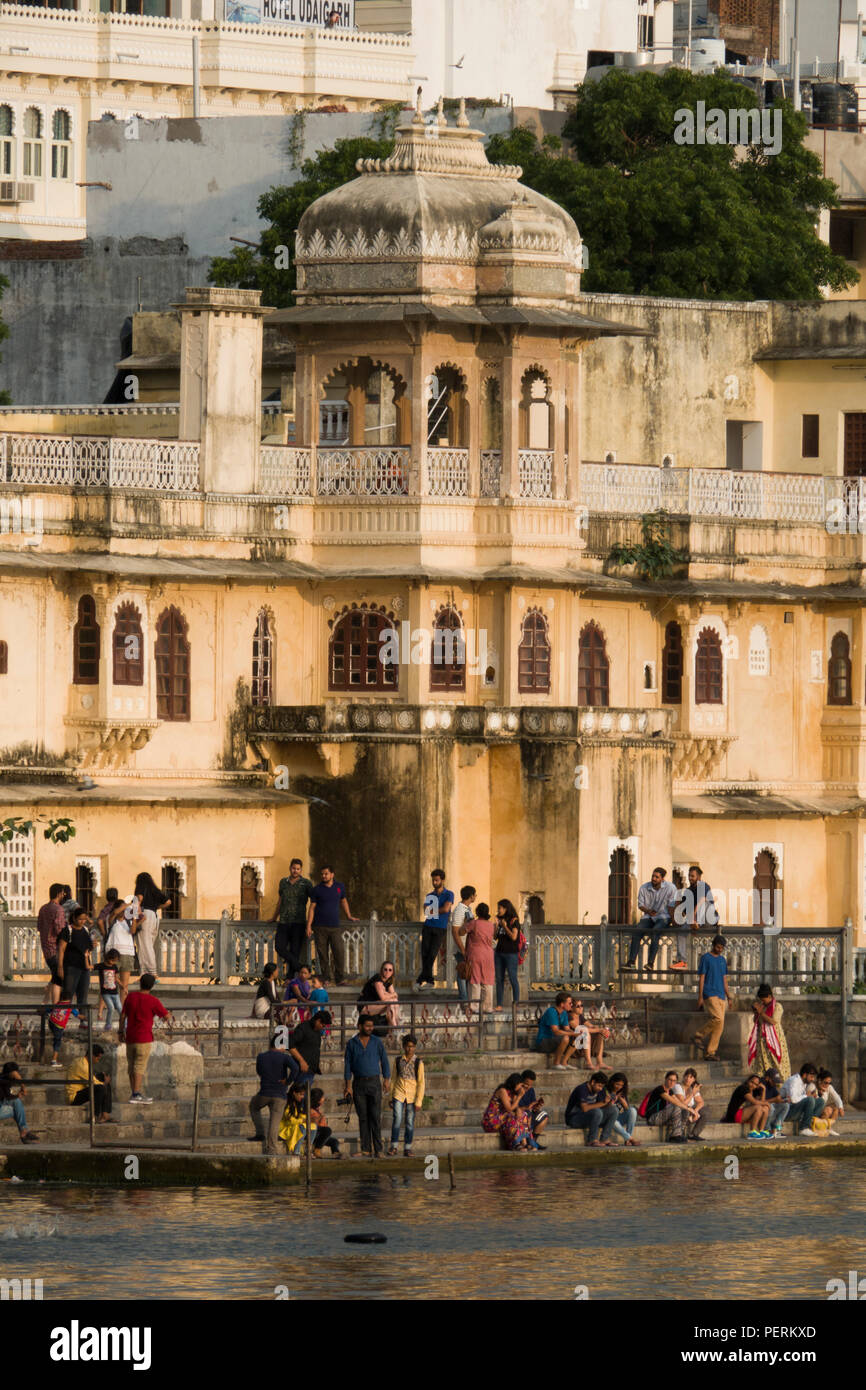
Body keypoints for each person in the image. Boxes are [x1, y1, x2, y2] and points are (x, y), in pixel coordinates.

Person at [344, 1014, 391, 1157]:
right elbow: (348, 1066)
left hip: (374, 1082)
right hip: (358, 1083)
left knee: (375, 1116)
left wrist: (387, 1079)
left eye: (371, 1026)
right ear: (359, 1026)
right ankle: (366, 1148)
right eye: (367, 1026)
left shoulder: (377, 1042)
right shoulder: (352, 1044)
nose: (370, 1028)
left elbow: (384, 1061)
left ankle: (378, 1149)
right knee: (363, 1117)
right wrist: (348, 1085)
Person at [119, 972, 170, 1103]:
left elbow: (123, 1015)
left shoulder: (131, 997)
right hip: (144, 1038)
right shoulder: (153, 1001)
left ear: (140, 983)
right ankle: (136, 1094)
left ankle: (134, 1093)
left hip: (130, 1036)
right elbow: (166, 1016)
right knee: (139, 1066)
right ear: (152, 986)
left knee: (131, 1066)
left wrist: (120, 1031)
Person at [306, 864, 357, 986]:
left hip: (335, 927)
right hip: (319, 927)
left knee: (339, 952)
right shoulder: (317, 889)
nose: (324, 876)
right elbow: (312, 908)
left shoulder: (339, 887)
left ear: (332, 874)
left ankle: (340, 979)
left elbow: (343, 900)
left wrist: (349, 915)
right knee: (323, 955)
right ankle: (326, 978)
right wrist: (308, 926)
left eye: (326, 874)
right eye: (322, 874)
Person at [250, 1033, 297, 1154]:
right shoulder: (284, 1057)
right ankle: (272, 1149)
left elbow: (259, 1071)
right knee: (274, 1122)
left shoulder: (261, 1056)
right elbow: (296, 1069)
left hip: (264, 1093)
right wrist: (288, 1081)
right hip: (279, 1095)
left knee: (254, 1106)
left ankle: (260, 1133)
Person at [624, 867, 677, 972]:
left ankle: (650, 963)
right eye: (653, 876)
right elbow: (640, 905)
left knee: (655, 932)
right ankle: (631, 962)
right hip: (649, 916)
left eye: (657, 877)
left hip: (664, 916)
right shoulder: (644, 887)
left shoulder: (670, 888)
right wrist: (648, 911)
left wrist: (674, 920)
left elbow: (672, 905)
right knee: (637, 932)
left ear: (662, 879)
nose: (654, 879)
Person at [271, 859, 313, 978]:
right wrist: (274, 917)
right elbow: (280, 901)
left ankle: (289, 978)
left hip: (298, 922)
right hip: (284, 921)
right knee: (279, 947)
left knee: (295, 951)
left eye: (298, 869)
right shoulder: (283, 882)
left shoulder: (306, 883)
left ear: (301, 870)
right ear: (290, 868)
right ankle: (300, 967)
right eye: (294, 868)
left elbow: (314, 901)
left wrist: (311, 921)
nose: (295, 871)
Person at [693, 934, 733, 1061]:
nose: (720, 949)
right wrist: (700, 997)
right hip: (709, 993)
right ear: (714, 945)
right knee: (718, 1018)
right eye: (718, 946)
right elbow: (702, 978)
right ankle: (698, 1035)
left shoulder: (722, 960)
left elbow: (724, 979)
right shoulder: (706, 958)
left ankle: (710, 1052)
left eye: (722, 947)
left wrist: (729, 996)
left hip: (721, 995)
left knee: (720, 1025)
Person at [415, 869, 454, 992]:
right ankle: (428, 980)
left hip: (440, 927)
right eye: (433, 880)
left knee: (432, 953)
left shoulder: (449, 894)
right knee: (425, 953)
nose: (434, 882)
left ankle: (421, 980)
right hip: (428, 926)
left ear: (442, 880)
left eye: (437, 880)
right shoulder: (429, 895)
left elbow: (446, 909)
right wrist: (437, 909)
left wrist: (433, 910)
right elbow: (426, 911)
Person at [671, 865, 717, 970]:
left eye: (692, 876)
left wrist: (694, 919)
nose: (690, 878)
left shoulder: (703, 886)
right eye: (689, 876)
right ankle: (682, 961)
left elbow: (702, 901)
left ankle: (696, 924)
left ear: (699, 877)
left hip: (708, 918)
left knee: (703, 904)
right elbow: (682, 908)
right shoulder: (689, 891)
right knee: (682, 932)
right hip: (694, 921)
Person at [388, 1033, 425, 1156]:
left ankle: (407, 1147)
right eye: (408, 1046)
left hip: (412, 1095)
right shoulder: (398, 1060)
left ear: (415, 1047)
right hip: (398, 1093)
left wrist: (419, 1101)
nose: (410, 1049)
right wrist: (390, 1097)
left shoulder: (418, 1062)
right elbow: (393, 1079)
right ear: (404, 1046)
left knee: (409, 1121)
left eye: (412, 1046)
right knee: (397, 1119)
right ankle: (393, 1146)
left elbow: (421, 1083)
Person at [130, 872, 171, 980]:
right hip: (154, 916)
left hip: (144, 915)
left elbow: (138, 899)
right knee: (149, 944)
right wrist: (155, 907)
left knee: (144, 945)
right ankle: (148, 973)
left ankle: (150, 973)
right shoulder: (154, 890)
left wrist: (135, 915)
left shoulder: (141, 887)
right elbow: (168, 902)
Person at [481, 1073, 535, 1151]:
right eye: (520, 1085)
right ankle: (515, 1144)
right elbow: (509, 1109)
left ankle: (525, 1143)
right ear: (515, 1084)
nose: (521, 1088)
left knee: (523, 1115)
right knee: (511, 1116)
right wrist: (519, 1097)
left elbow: (516, 1108)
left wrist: (521, 1110)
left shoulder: (513, 1094)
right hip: (491, 1121)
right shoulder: (502, 1091)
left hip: (502, 1121)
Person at [748, 983, 790, 1080]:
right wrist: (756, 1012)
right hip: (762, 1039)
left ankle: (779, 1081)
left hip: (774, 1038)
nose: (762, 1001)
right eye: (761, 999)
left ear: (770, 996)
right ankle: (763, 1080)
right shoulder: (763, 1006)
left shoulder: (777, 1006)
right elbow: (756, 1021)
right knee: (762, 1062)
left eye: (764, 999)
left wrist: (761, 1012)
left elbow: (773, 1021)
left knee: (775, 1060)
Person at [56, 907, 93, 1018]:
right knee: (68, 994)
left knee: (83, 995)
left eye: (84, 919)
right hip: (71, 967)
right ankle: (61, 1018)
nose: (82, 921)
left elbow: (87, 948)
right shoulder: (67, 930)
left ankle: (83, 1020)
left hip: (84, 967)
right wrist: (60, 967)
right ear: (74, 918)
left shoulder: (86, 930)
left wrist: (92, 946)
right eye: (80, 919)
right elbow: (61, 949)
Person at [565, 1071, 618, 1147]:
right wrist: (603, 1103)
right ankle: (592, 1140)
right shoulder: (582, 1089)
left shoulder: (599, 1090)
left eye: (602, 1086)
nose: (601, 1088)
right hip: (574, 1119)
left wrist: (609, 1102)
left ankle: (604, 1139)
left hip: (590, 1117)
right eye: (599, 1086)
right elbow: (585, 1108)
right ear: (593, 1082)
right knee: (597, 1112)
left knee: (614, 1110)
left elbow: (602, 1105)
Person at [105, 895, 141, 1004]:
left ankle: (123, 1006)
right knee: (109, 981)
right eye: (122, 908)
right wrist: (129, 904)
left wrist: (134, 916)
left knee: (124, 984)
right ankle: (104, 1005)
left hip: (127, 954)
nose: (124, 911)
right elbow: (115, 912)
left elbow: (133, 931)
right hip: (113, 954)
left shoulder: (128, 921)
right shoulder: (111, 920)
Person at [66, 1043, 113, 1123]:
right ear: (91, 1055)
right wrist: (105, 1082)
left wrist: (104, 1079)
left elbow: (93, 1079)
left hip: (82, 1089)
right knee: (101, 1087)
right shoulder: (81, 1065)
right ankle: (95, 1116)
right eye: (98, 1058)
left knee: (102, 1077)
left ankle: (105, 1114)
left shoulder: (82, 1061)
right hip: (74, 1097)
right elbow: (94, 1082)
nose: (98, 1060)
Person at [37, 882, 67, 1005]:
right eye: (63, 892)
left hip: (46, 947)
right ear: (59, 894)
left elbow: (39, 927)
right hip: (56, 948)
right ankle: (56, 1007)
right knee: (59, 979)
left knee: (55, 975)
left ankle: (45, 1000)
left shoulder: (43, 908)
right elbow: (59, 929)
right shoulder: (58, 909)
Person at [463, 902, 495, 1013]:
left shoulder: (474, 923)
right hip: (489, 955)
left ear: (477, 912)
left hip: (476, 953)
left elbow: (461, 932)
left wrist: (465, 923)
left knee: (475, 979)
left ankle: (474, 1007)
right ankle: (488, 1007)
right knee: (488, 981)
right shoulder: (491, 925)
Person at [642, 1070, 691, 1142]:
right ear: (665, 1079)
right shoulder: (660, 1089)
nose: (672, 1082)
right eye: (670, 1080)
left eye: (674, 1081)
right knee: (675, 1107)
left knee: (685, 1111)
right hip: (653, 1118)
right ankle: (675, 1136)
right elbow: (674, 1102)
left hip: (663, 1117)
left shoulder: (670, 1091)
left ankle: (680, 1134)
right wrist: (690, 1109)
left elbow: (679, 1102)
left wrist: (689, 1110)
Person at [780, 1062, 826, 1137]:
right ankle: (804, 1128)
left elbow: (803, 1098)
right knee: (810, 1099)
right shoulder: (794, 1081)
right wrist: (806, 1096)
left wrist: (813, 1096)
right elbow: (793, 1100)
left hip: (797, 1110)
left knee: (820, 1101)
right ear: (804, 1075)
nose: (813, 1079)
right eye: (811, 1076)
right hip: (788, 1112)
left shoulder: (804, 1083)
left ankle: (810, 1125)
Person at [534, 991, 577, 1069]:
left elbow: (567, 1029)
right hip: (543, 1041)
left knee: (578, 1039)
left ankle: (564, 1062)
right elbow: (556, 1031)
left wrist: (577, 1033)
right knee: (566, 1038)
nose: (572, 1005)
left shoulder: (564, 1013)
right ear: (562, 1004)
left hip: (555, 1040)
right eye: (570, 1003)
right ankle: (556, 1063)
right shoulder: (551, 1012)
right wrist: (572, 1034)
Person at [288, 1010, 331, 1084]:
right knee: (299, 1093)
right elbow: (290, 1045)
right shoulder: (303, 1028)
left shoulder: (317, 1031)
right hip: (302, 1070)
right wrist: (302, 1061)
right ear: (318, 1021)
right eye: (323, 1025)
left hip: (311, 1070)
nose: (323, 1028)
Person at [722, 1073, 772, 1137]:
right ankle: (752, 1132)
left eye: (755, 1084)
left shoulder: (754, 1091)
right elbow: (754, 1102)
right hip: (733, 1115)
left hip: (743, 1114)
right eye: (751, 1082)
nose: (752, 1085)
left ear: (757, 1086)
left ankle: (761, 1130)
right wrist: (766, 1103)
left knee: (765, 1108)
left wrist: (764, 1090)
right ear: (748, 1080)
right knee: (758, 1107)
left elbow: (762, 1102)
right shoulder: (743, 1088)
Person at [493, 898, 521, 1010]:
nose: (498, 910)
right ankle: (499, 1004)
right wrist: (496, 926)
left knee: (513, 978)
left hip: (511, 954)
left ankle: (516, 1004)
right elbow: (495, 937)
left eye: (499, 908)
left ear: (505, 908)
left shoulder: (514, 921)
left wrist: (505, 926)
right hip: (499, 953)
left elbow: (514, 937)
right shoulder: (500, 920)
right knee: (499, 979)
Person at [450, 884, 476, 1004]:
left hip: (468, 946)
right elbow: (455, 931)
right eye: (474, 894)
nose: (475, 896)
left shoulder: (467, 909)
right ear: (471, 896)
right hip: (462, 947)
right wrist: (462, 949)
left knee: (467, 971)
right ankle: (463, 998)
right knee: (462, 971)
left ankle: (466, 997)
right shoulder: (460, 910)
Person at [358, 960, 400, 1034]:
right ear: (382, 970)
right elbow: (384, 998)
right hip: (365, 1006)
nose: (387, 972)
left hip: (375, 1005)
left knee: (393, 1002)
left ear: (393, 972)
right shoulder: (378, 979)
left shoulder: (389, 980)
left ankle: (393, 1028)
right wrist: (390, 995)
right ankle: (394, 1027)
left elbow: (394, 997)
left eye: (390, 970)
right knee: (391, 1002)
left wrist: (389, 995)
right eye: (385, 969)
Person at [0, 1063, 38, 1143]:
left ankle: (24, 1131)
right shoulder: (3, 1081)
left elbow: (6, 1097)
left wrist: (17, 1095)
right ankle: (24, 1132)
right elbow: (7, 1098)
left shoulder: (3, 1080)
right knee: (16, 1107)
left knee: (17, 1106)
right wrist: (22, 1085)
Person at [569, 1000, 609, 1070]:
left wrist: (603, 1030)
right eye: (578, 1006)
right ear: (572, 1008)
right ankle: (588, 1063)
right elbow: (581, 1029)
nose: (581, 1008)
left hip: (582, 1045)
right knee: (586, 1034)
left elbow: (591, 1026)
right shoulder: (568, 1017)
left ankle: (600, 1062)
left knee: (599, 1034)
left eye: (581, 1005)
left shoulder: (580, 1017)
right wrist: (599, 1029)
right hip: (573, 1046)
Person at [517, 1069, 549, 1149]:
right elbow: (515, 1108)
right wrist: (528, 1107)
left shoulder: (531, 1090)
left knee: (544, 1115)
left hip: (530, 1114)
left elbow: (533, 1106)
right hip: (520, 1117)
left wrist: (536, 1107)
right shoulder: (517, 1090)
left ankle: (533, 1140)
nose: (528, 1087)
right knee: (526, 1114)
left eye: (530, 1085)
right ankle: (527, 1142)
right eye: (526, 1084)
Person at [96, 948, 123, 1034]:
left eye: (115, 961)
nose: (114, 962)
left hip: (115, 992)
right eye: (113, 960)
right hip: (105, 993)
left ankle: (125, 1024)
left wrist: (123, 987)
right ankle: (108, 1024)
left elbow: (116, 978)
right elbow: (89, 967)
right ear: (108, 958)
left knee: (120, 1008)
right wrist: (86, 957)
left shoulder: (114, 967)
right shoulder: (101, 966)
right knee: (111, 1007)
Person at [608, 1072, 640, 1146]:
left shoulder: (621, 1092)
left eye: (621, 1085)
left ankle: (627, 1140)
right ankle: (629, 1138)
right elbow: (607, 1108)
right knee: (613, 1120)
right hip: (609, 1119)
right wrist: (615, 1098)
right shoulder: (607, 1091)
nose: (619, 1087)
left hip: (619, 1118)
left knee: (633, 1110)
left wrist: (622, 1100)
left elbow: (627, 1109)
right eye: (617, 1084)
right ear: (612, 1082)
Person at [310, 1088, 342, 1159]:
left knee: (334, 1141)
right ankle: (317, 1149)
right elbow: (314, 1124)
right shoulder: (310, 1110)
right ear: (317, 1099)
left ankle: (335, 1153)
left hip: (320, 1135)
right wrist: (319, 1118)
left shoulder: (317, 1109)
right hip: (313, 1134)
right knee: (327, 1130)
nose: (323, 1099)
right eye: (322, 1097)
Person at [47, 997, 79, 1066]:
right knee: (57, 1042)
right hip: (59, 1026)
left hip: (51, 1023)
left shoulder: (57, 1004)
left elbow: (47, 1010)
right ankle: (54, 1061)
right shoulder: (70, 1006)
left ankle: (54, 1059)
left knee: (56, 1041)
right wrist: (86, 1018)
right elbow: (78, 1015)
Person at [761, 1067, 790, 1137]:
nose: (775, 1083)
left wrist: (784, 1100)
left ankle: (776, 1129)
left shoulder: (772, 1085)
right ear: (767, 1078)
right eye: (774, 1081)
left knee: (786, 1105)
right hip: (762, 1111)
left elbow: (778, 1097)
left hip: (771, 1112)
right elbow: (760, 1102)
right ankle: (767, 1130)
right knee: (770, 1107)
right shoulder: (762, 1084)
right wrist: (774, 1100)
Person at [681, 1067, 707, 1141]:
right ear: (683, 1076)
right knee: (686, 1111)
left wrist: (696, 1110)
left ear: (694, 1080)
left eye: (691, 1077)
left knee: (705, 1111)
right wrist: (692, 1093)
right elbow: (682, 1104)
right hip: (681, 1110)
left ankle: (693, 1134)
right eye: (686, 1076)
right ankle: (680, 1133)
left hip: (691, 1111)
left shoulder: (693, 1088)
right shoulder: (678, 1087)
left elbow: (701, 1102)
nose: (688, 1079)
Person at [816, 1069, 844, 1136]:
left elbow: (837, 1097)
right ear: (820, 1080)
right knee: (828, 1110)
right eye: (826, 1082)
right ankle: (822, 1129)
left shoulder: (829, 1087)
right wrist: (820, 1092)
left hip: (823, 1109)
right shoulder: (813, 1087)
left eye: (829, 1083)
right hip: (815, 1111)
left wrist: (841, 1107)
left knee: (836, 1109)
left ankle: (829, 1128)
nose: (827, 1085)